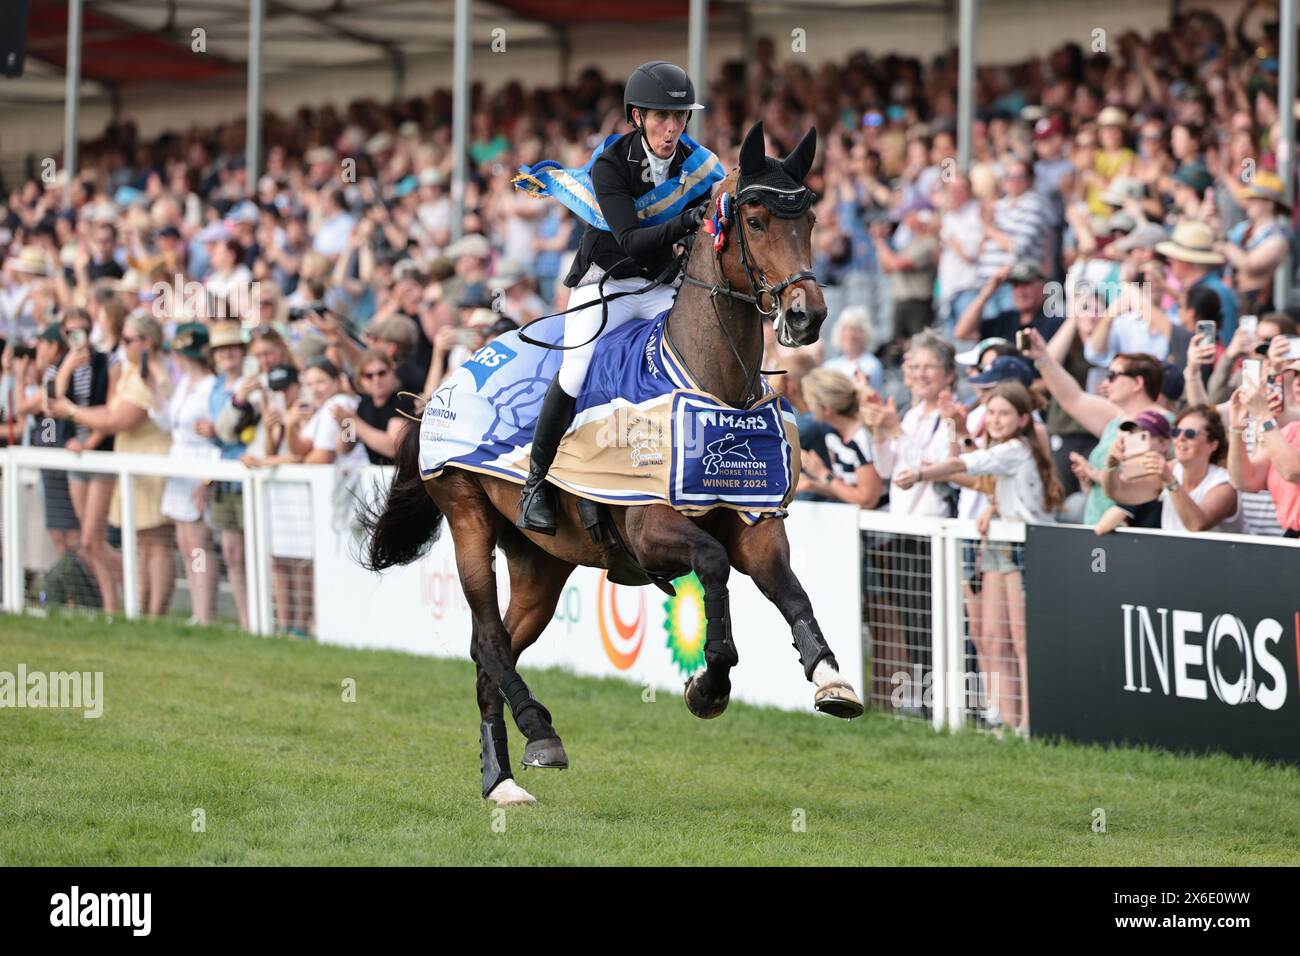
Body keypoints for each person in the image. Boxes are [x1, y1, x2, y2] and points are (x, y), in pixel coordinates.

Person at [516, 60, 718, 535]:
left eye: (680, 117)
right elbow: (631, 239)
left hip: (662, 285)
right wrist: (687, 223)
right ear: (637, 119)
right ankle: (535, 482)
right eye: (661, 118)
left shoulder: (697, 165)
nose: (672, 129)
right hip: (608, 282)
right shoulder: (610, 165)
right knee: (577, 369)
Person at [894, 382, 1062, 734]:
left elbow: (963, 465)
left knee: (1020, 641)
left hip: (1023, 547)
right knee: (992, 637)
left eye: (1004, 414)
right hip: (1001, 545)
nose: (997, 420)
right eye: (993, 413)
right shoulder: (1007, 448)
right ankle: (1008, 721)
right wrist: (954, 425)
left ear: (1022, 419)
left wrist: (923, 474)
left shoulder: (1016, 448)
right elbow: (975, 474)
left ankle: (1029, 724)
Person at [50, 314, 175, 616]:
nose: (123, 345)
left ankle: (154, 614)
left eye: (129, 340)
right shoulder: (132, 371)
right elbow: (108, 410)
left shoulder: (154, 376)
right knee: (143, 545)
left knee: (156, 544)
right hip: (132, 463)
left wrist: (72, 412)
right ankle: (141, 611)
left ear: (149, 342)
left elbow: (119, 419)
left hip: (152, 463)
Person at [1021, 327, 1169, 526]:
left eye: (1113, 375)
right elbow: (1071, 398)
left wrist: (1096, 474)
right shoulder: (1117, 417)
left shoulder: (1162, 424)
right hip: (1098, 522)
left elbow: (1148, 484)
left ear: (1137, 383)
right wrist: (1042, 358)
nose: (1106, 382)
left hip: (1130, 531)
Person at [152, 322, 219, 624]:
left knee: (198, 543)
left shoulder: (212, 386)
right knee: (185, 542)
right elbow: (169, 423)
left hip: (201, 464)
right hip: (178, 463)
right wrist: (154, 389)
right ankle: (196, 610)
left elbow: (218, 437)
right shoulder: (183, 384)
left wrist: (207, 480)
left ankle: (205, 613)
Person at [797, 368, 883, 508]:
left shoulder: (861, 438)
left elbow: (867, 500)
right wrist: (813, 485)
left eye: (809, 403)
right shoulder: (833, 435)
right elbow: (847, 490)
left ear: (827, 409)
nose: (808, 409)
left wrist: (823, 474)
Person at [1227, 376, 1300, 537]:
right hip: (1291, 537)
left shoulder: (1277, 428)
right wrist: (1236, 428)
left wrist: (1263, 415)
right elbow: (1246, 480)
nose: (1297, 382)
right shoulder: (1290, 431)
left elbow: (1292, 472)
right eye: (1295, 375)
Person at [1096, 411, 1175, 534]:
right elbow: (1112, 492)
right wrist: (1111, 464)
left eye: (1142, 437)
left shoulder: (1161, 473)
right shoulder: (1133, 473)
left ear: (1164, 444)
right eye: (1131, 435)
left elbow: (1102, 527)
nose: (1132, 441)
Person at [342, 348, 415, 465]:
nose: (376, 380)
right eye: (369, 375)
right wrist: (346, 423)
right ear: (360, 380)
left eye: (382, 373)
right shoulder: (364, 403)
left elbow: (394, 448)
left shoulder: (403, 400)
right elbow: (346, 448)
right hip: (375, 474)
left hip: (401, 475)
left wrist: (356, 423)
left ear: (392, 372)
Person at [822, 306, 883, 390]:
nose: (849, 335)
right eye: (845, 329)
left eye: (855, 330)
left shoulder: (871, 365)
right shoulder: (830, 365)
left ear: (865, 334)